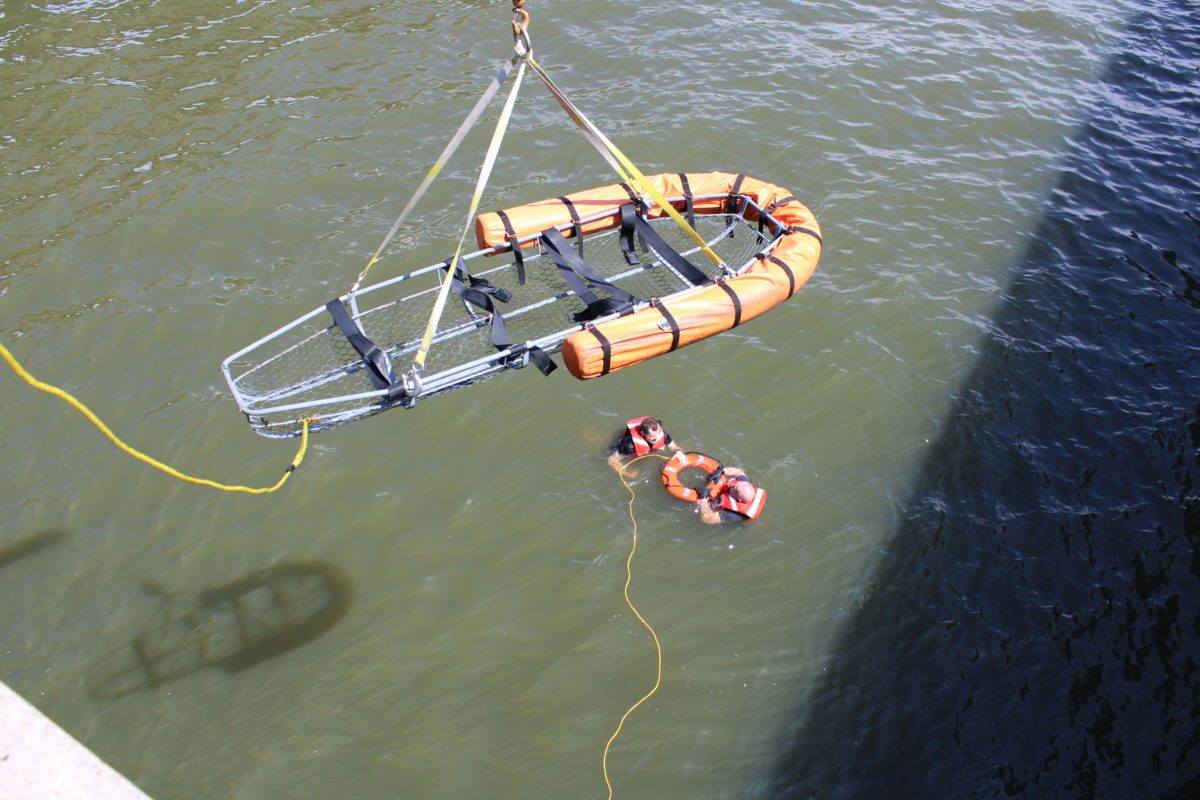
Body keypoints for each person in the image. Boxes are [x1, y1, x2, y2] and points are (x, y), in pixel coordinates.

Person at [606, 415, 681, 472]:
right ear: (643, 433)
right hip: (626, 449)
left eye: (658, 434)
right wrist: (628, 474)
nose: (656, 438)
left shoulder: (661, 434)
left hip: (647, 450)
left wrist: (678, 451)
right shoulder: (629, 445)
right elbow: (611, 460)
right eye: (652, 436)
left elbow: (673, 446)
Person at [698, 466, 766, 524]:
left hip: (733, 518)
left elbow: (708, 519)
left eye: (734, 488)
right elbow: (738, 471)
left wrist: (703, 497)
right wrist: (722, 471)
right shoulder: (744, 484)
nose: (733, 484)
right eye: (736, 484)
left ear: (738, 499)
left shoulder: (733, 514)